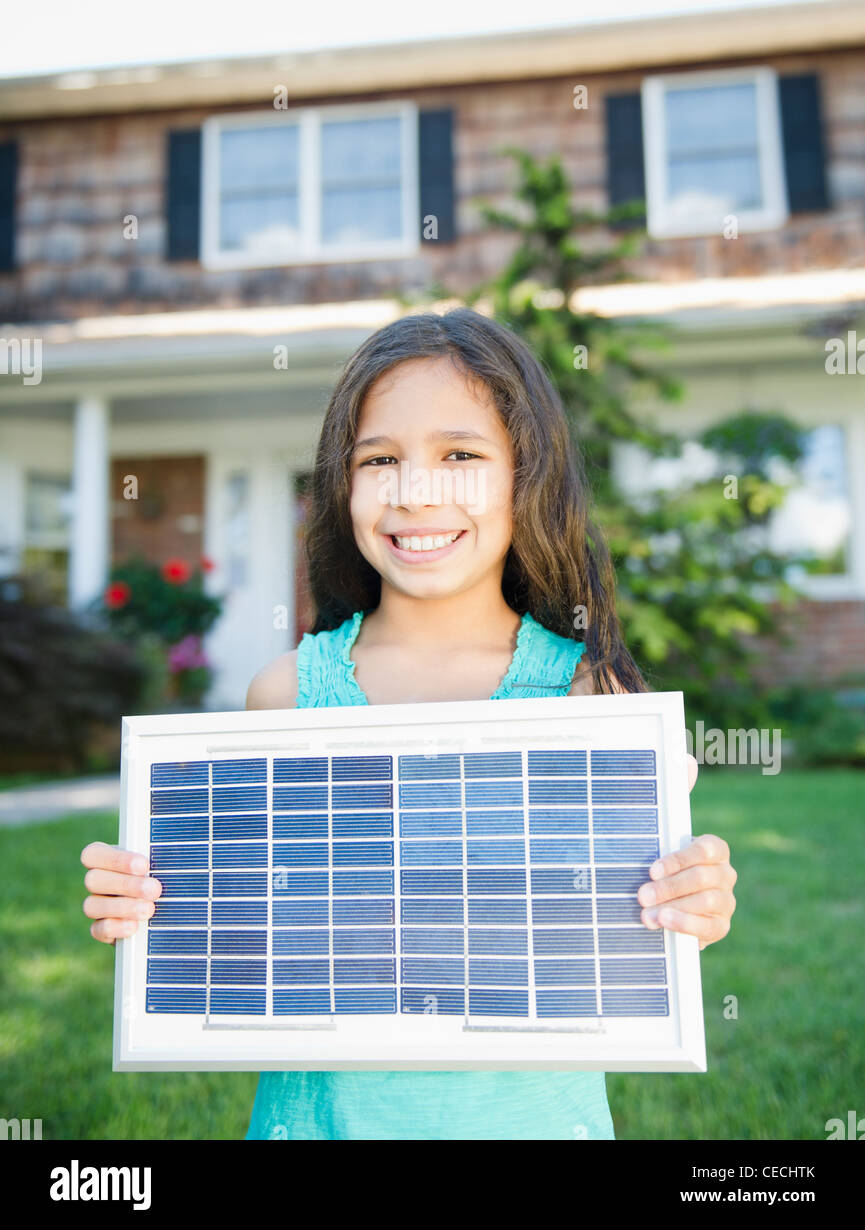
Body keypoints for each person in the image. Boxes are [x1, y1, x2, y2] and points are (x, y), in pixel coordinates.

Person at [81, 307, 737, 1140]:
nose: (415, 491)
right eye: (380, 459)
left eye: (460, 456)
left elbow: (634, 917)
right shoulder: (284, 696)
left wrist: (691, 902)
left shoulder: (587, 696)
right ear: (343, 484)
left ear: (523, 476)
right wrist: (148, 903)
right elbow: (244, 934)